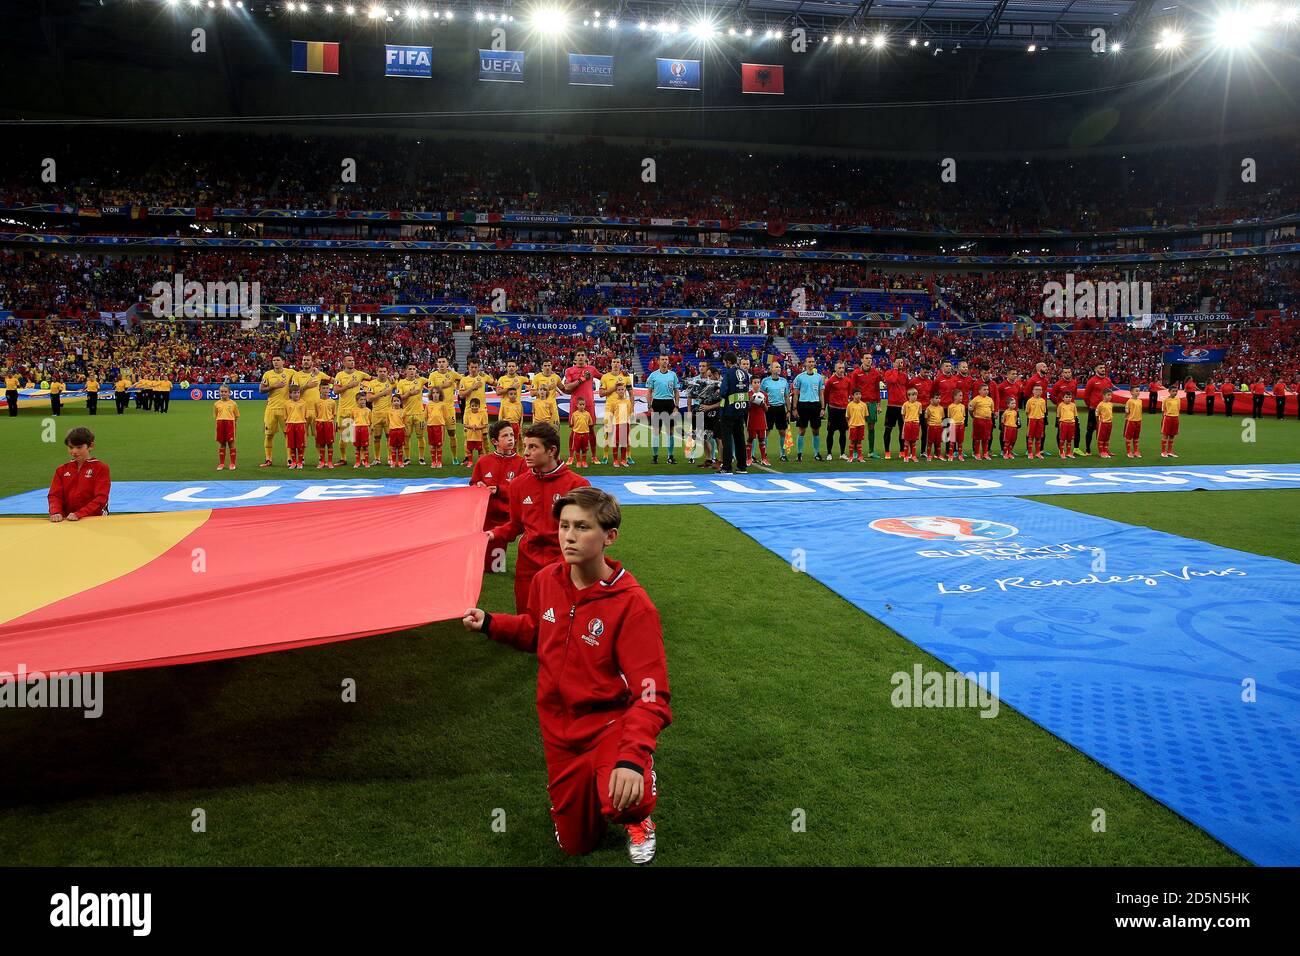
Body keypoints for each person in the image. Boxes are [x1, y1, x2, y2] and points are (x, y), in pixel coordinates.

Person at [463, 487, 670, 864]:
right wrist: (491, 623)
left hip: (609, 724)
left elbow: (651, 696)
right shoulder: (546, 580)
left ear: (610, 536)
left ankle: (638, 812)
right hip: (557, 728)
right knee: (575, 844)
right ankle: (589, 797)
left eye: (582, 527)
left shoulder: (633, 605)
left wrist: (631, 756)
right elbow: (537, 632)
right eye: (564, 526)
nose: (569, 536)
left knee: (624, 799)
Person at [486, 422, 590, 614]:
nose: (525, 452)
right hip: (527, 563)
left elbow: (584, 533)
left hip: (562, 562)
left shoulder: (578, 485)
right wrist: (492, 534)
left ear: (551, 450)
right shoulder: (518, 485)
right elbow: (515, 525)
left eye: (532, 447)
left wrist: (565, 561)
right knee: (527, 617)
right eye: (525, 446)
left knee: (558, 618)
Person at [472, 420, 526, 572]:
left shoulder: (521, 463)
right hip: (484, 517)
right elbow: (473, 483)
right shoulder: (483, 461)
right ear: (495, 441)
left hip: (505, 520)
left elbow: (522, 492)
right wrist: (478, 487)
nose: (511, 439)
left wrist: (499, 490)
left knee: (495, 568)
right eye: (505, 436)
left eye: (512, 435)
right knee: (479, 564)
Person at [48, 426, 111, 521]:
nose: (74, 451)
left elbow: (101, 498)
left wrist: (80, 514)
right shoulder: (62, 470)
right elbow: (54, 495)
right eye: (70, 447)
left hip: (95, 519)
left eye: (79, 447)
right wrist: (56, 511)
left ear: (91, 446)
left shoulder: (101, 468)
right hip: (68, 519)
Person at [561, 350, 602, 463]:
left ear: (586, 357)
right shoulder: (569, 370)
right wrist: (581, 379)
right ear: (575, 359)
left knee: (591, 429)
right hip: (575, 404)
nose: (580, 357)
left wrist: (619, 375)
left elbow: (604, 378)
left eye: (582, 355)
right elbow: (567, 387)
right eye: (578, 355)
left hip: (589, 404)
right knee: (574, 430)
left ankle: (594, 456)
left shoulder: (592, 369)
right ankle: (571, 456)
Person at [717, 352, 750, 475]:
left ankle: (726, 467)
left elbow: (723, 392)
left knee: (727, 439)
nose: (724, 364)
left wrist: (719, 391)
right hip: (741, 409)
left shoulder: (729, 374)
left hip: (729, 411)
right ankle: (742, 466)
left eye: (724, 362)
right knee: (740, 438)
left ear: (728, 361)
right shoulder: (745, 373)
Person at [598, 357, 635, 466]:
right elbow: (601, 393)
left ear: (620, 364)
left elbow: (631, 393)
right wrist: (614, 387)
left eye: (618, 362)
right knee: (608, 432)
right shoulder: (605, 377)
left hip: (623, 408)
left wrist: (632, 406)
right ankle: (605, 456)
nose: (615, 364)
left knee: (625, 434)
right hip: (610, 407)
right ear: (611, 363)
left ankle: (628, 456)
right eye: (614, 362)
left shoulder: (626, 377)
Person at [333, 355, 371, 460]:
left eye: (353, 360)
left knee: (360, 436)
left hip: (357, 411)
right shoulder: (339, 375)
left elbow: (373, 379)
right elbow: (335, 391)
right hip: (343, 410)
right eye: (349, 361)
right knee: (344, 437)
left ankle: (363, 459)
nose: (352, 362)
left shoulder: (360, 374)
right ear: (344, 363)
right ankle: (343, 458)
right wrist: (349, 386)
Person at [645, 355, 681, 465]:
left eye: (666, 359)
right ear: (659, 361)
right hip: (657, 403)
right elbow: (649, 391)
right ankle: (655, 457)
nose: (664, 361)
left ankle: (670, 457)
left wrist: (676, 406)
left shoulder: (673, 375)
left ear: (668, 361)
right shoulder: (653, 375)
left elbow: (676, 391)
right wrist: (649, 405)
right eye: (662, 359)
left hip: (669, 403)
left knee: (670, 431)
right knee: (656, 431)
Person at [259, 356, 294, 468]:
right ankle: (268, 459)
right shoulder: (268, 374)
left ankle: (290, 459)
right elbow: (261, 390)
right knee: (269, 435)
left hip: (285, 409)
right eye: (274, 360)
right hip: (271, 409)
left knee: (287, 434)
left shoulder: (291, 372)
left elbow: (304, 374)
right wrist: (273, 386)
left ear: (283, 361)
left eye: (278, 360)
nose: (276, 362)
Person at [427, 357, 461, 466]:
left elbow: (462, 379)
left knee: (452, 433)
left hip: (449, 408)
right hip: (436, 408)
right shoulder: (433, 375)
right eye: (439, 362)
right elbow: (431, 389)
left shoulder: (453, 374)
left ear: (447, 364)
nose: (441, 364)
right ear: (437, 363)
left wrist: (458, 386)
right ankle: (435, 459)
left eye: (443, 362)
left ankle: (454, 457)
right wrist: (443, 386)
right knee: (435, 436)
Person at [793, 356, 825, 463]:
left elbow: (821, 394)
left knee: (816, 430)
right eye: (809, 362)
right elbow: (796, 394)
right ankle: (799, 453)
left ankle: (816, 453)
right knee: (802, 430)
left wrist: (823, 407)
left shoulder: (819, 377)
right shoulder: (799, 377)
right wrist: (795, 408)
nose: (811, 364)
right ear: (805, 364)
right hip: (803, 405)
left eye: (812, 362)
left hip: (815, 405)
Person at [761, 361, 792, 463]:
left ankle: (782, 454)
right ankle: (763, 454)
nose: (778, 368)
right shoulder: (765, 381)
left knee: (782, 432)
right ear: (771, 369)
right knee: (766, 432)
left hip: (780, 409)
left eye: (779, 367)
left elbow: (787, 397)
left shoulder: (784, 381)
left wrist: (788, 410)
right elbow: (761, 396)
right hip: (769, 409)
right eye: (776, 367)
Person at [365, 367, 395, 468]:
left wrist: (395, 378)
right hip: (376, 414)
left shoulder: (392, 382)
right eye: (380, 371)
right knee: (376, 438)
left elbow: (400, 383)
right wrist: (382, 393)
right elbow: (368, 399)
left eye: (384, 371)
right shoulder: (372, 384)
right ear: (377, 372)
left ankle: (390, 458)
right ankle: (377, 458)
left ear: (387, 373)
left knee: (389, 437)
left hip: (388, 414)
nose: (382, 373)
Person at [397, 365, 427, 465]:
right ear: (406, 371)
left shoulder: (421, 380)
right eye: (410, 369)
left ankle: (421, 458)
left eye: (414, 369)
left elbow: (432, 382)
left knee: (421, 436)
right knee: (406, 436)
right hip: (406, 414)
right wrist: (409, 393)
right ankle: (407, 458)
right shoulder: (401, 382)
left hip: (420, 413)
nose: (412, 371)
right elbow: (399, 398)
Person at [1082, 363, 1113, 455]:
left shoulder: (1108, 380)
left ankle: (1105, 450)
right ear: (1096, 369)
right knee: (1090, 430)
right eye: (1100, 368)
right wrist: (1091, 406)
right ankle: (1088, 450)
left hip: (1105, 411)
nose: (1103, 369)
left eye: (1103, 367)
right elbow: (1086, 396)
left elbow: (1110, 394)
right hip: (1094, 409)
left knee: (1106, 431)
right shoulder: (1092, 381)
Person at [824, 360, 852, 461]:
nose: (841, 370)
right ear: (835, 369)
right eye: (839, 368)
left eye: (842, 368)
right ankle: (829, 453)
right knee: (830, 432)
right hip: (833, 410)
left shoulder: (848, 380)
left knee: (843, 432)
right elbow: (826, 395)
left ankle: (842, 453)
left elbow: (849, 393)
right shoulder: (831, 381)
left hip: (843, 410)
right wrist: (825, 407)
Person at [607, 382, 633, 468]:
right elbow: (610, 414)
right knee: (616, 443)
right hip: (617, 425)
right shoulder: (614, 402)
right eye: (619, 390)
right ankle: (615, 460)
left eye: (622, 389)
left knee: (624, 443)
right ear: (616, 391)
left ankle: (623, 460)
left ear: (625, 390)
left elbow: (629, 413)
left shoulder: (628, 402)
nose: (621, 391)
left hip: (625, 424)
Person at [214, 383, 239, 470]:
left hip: (230, 423)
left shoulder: (233, 404)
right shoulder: (216, 404)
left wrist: (233, 425)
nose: (223, 393)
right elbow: (216, 415)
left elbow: (236, 416)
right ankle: (221, 463)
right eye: (222, 392)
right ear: (219, 393)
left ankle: (232, 463)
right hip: (220, 423)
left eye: (225, 392)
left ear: (229, 393)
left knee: (231, 443)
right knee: (222, 443)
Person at [747, 376, 770, 466]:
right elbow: (746, 408)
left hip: (761, 420)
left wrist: (763, 403)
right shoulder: (748, 394)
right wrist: (750, 401)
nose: (757, 384)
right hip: (751, 419)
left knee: (762, 439)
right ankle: (748, 459)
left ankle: (764, 458)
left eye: (758, 382)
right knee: (750, 439)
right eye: (755, 382)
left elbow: (766, 409)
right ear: (751, 383)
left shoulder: (764, 394)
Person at [313, 385, 337, 469]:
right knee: (321, 444)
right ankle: (322, 462)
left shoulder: (332, 402)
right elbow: (316, 413)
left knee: (330, 444)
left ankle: (330, 462)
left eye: (327, 388)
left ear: (329, 390)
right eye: (323, 388)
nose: (325, 390)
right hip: (320, 423)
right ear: (319, 389)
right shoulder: (316, 402)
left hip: (329, 424)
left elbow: (334, 413)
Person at [284, 385, 308, 470]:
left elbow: (306, 416)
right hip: (290, 424)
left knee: (300, 445)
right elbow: (285, 416)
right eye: (294, 393)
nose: (297, 395)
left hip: (300, 424)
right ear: (290, 394)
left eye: (298, 393)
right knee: (292, 445)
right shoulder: (286, 404)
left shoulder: (303, 403)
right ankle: (294, 462)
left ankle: (300, 462)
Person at [969, 383, 995, 460]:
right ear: (979, 391)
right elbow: (970, 410)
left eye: (987, 389)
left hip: (988, 420)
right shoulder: (976, 399)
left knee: (986, 438)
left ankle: (985, 453)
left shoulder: (990, 399)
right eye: (984, 389)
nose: (986, 391)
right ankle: (977, 453)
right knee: (977, 438)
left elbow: (992, 410)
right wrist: (973, 417)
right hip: (978, 420)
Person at [425, 385, 447, 468]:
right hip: (430, 426)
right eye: (433, 393)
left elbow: (445, 416)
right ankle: (434, 461)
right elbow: (426, 416)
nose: (435, 395)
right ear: (431, 395)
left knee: (439, 445)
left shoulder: (442, 405)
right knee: (432, 445)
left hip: (439, 426)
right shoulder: (428, 405)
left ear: (440, 394)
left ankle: (439, 462)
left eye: (437, 393)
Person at [568, 396, 594, 468]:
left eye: (583, 404)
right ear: (577, 405)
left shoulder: (587, 414)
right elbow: (571, 424)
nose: (582, 406)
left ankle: (584, 461)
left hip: (585, 433)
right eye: (580, 404)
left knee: (584, 449)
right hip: (576, 434)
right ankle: (579, 462)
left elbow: (590, 423)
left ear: (585, 405)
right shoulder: (574, 414)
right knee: (577, 448)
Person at [463, 397, 488, 467]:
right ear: (470, 406)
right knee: (469, 450)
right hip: (470, 436)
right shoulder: (468, 414)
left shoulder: (481, 414)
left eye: (476, 406)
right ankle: (470, 462)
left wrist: (476, 428)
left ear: (479, 406)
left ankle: (480, 462)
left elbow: (484, 425)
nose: (474, 407)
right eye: (473, 406)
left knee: (480, 450)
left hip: (478, 436)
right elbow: (465, 424)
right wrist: (472, 427)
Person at [350, 392, 373, 468]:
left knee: (365, 446)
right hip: (356, 428)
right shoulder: (353, 410)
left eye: (364, 399)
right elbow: (352, 420)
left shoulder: (368, 410)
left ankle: (366, 461)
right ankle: (357, 462)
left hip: (365, 428)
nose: (363, 401)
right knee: (357, 446)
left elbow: (370, 422)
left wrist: (369, 430)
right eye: (361, 399)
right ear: (357, 401)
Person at [386, 394, 408, 468]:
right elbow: (387, 422)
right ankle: (394, 462)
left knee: (400, 447)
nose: (396, 402)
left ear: (400, 402)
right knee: (393, 447)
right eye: (394, 401)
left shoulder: (403, 411)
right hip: (392, 431)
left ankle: (400, 462)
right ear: (391, 402)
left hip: (400, 430)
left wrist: (405, 430)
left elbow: (405, 422)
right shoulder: (389, 412)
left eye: (397, 401)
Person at [846, 389, 868, 462]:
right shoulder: (850, 405)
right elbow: (847, 416)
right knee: (852, 441)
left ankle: (860, 457)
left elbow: (865, 416)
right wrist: (850, 424)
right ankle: (851, 457)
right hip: (853, 426)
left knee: (859, 441)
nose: (858, 396)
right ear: (852, 396)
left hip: (861, 425)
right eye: (856, 394)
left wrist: (861, 422)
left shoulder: (864, 405)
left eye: (859, 394)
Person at [900, 387, 922, 463]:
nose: (915, 396)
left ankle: (913, 456)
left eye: (916, 395)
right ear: (908, 396)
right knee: (907, 441)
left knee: (914, 441)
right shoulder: (905, 404)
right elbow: (903, 414)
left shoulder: (919, 404)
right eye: (913, 395)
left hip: (915, 423)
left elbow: (919, 414)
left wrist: (915, 420)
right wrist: (906, 421)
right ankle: (906, 456)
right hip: (908, 423)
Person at [923, 392, 944, 461]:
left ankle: (939, 455)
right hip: (931, 427)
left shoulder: (941, 408)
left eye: (939, 398)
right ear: (931, 399)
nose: (938, 400)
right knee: (930, 442)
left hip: (939, 427)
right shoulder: (929, 408)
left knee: (938, 442)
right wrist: (929, 425)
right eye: (936, 398)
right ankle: (929, 455)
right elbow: (926, 418)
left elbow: (942, 418)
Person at [946, 389, 967, 462]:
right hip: (953, 425)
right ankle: (951, 455)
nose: (962, 397)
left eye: (962, 395)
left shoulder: (963, 406)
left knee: (960, 442)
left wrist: (962, 422)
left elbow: (963, 415)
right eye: (960, 395)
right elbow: (949, 417)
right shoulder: (950, 407)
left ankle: (960, 455)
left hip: (961, 425)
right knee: (952, 442)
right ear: (955, 397)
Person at [1160, 388, 1181, 458]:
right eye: (1173, 391)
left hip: (1175, 418)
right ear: (1169, 392)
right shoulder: (1165, 400)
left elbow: (1178, 409)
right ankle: (1163, 452)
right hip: (1168, 418)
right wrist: (1163, 419)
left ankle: (1170, 451)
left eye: (1176, 391)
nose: (1175, 392)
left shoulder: (1178, 399)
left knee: (1172, 435)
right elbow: (1163, 410)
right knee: (1165, 435)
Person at [1057, 391, 1078, 459]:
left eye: (1070, 397)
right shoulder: (1060, 405)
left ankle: (1068, 452)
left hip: (1072, 424)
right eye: (1066, 397)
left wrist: (1072, 421)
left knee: (1069, 439)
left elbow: (1075, 415)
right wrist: (1060, 424)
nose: (1068, 398)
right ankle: (1061, 452)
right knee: (1062, 439)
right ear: (1063, 398)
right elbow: (1058, 416)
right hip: (1063, 423)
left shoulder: (1073, 405)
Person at [1124, 389, 1144, 458]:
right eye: (1136, 391)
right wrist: (1127, 419)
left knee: (1136, 437)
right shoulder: (1129, 401)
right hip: (1131, 421)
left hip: (1138, 421)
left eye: (1139, 391)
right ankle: (1129, 452)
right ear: (1131, 392)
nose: (1138, 392)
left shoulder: (1140, 401)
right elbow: (1127, 411)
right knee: (1128, 437)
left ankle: (1136, 451)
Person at [1096, 389, 1115, 458]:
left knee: (1107, 438)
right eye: (1108, 395)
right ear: (1103, 396)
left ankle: (1106, 450)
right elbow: (1097, 414)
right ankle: (1101, 452)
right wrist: (1098, 423)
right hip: (1103, 423)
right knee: (1101, 438)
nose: (1110, 397)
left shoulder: (1111, 404)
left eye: (1111, 395)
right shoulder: (1100, 405)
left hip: (1109, 423)